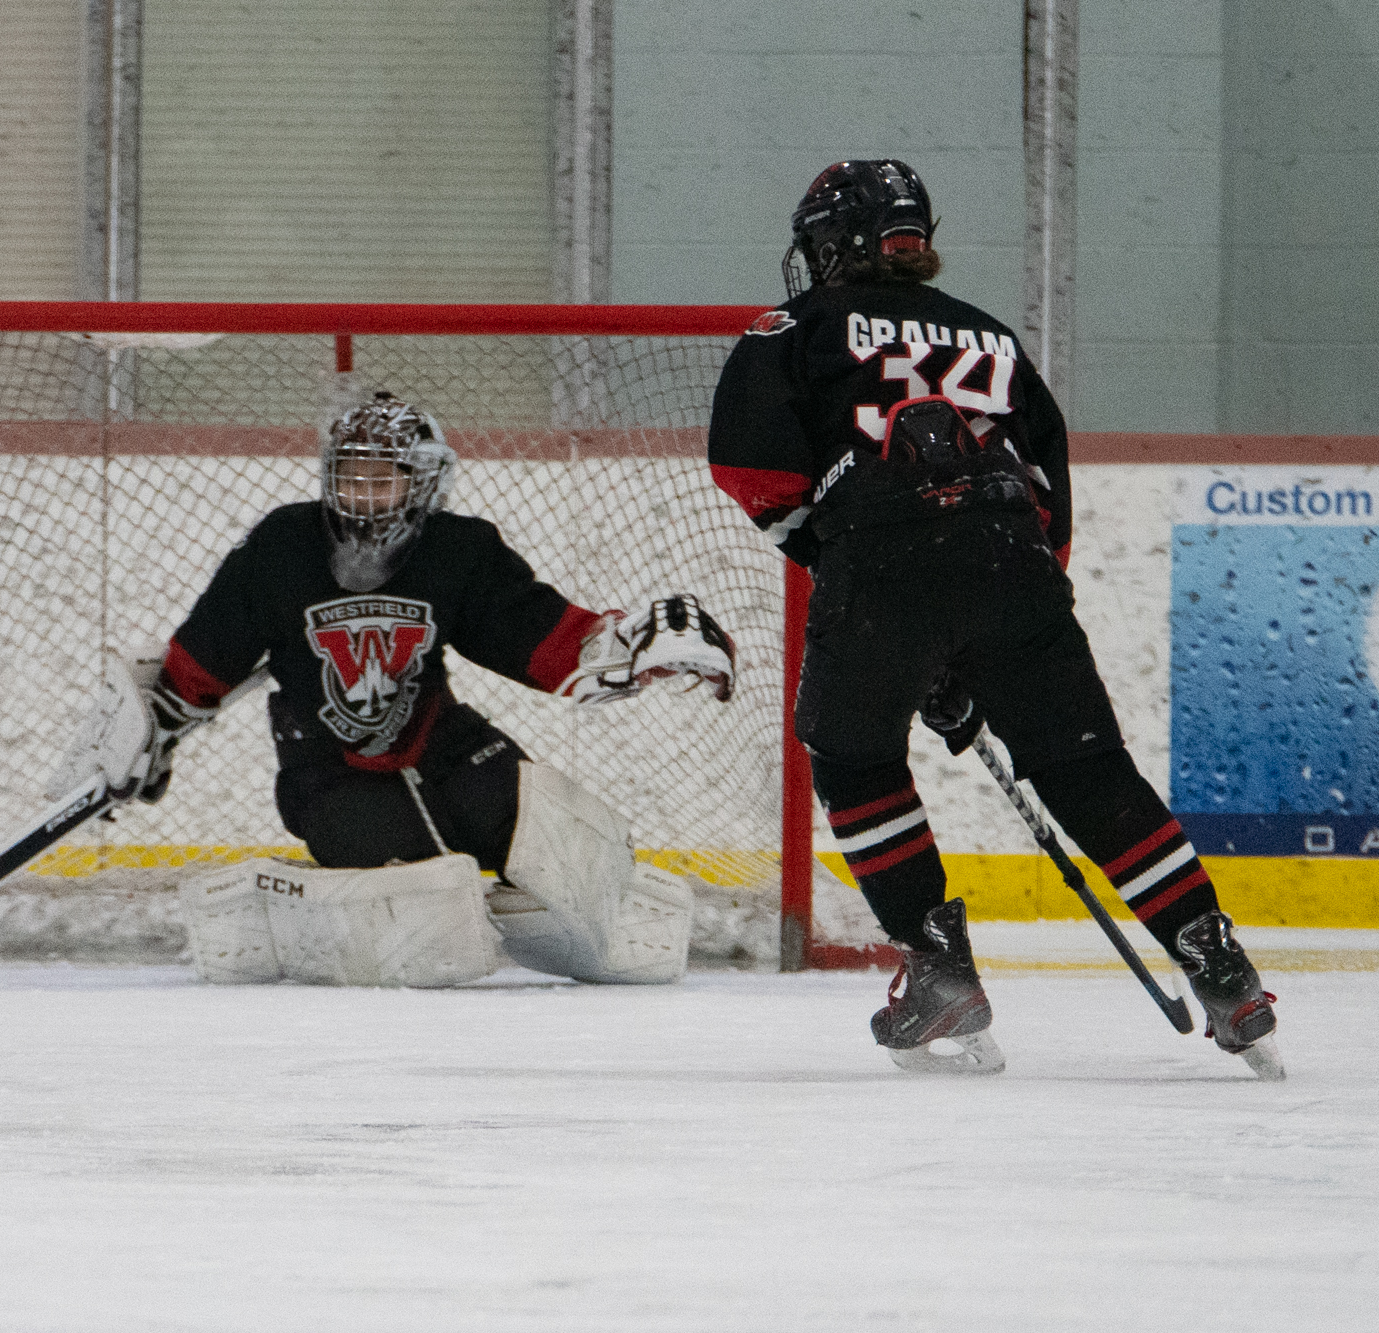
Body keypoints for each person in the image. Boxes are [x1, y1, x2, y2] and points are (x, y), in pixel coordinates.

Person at [708, 159, 1281, 1077]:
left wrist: (876, 591)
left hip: (881, 555)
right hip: (1014, 566)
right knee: (1086, 766)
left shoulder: (795, 325)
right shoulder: (994, 336)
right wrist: (974, 639)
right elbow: (1047, 499)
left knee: (854, 755)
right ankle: (1220, 961)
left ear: (839, 242)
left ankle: (939, 971)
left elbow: (754, 472)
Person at [69, 392, 739, 988]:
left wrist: (632, 650)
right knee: (428, 908)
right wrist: (146, 730)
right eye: (351, 477)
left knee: (566, 848)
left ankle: (576, 912)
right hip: (327, 773)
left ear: (424, 484)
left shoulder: (459, 550)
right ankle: (282, 903)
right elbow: (204, 657)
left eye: (382, 480)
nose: (364, 496)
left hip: (447, 748)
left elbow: (536, 634)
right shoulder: (281, 546)